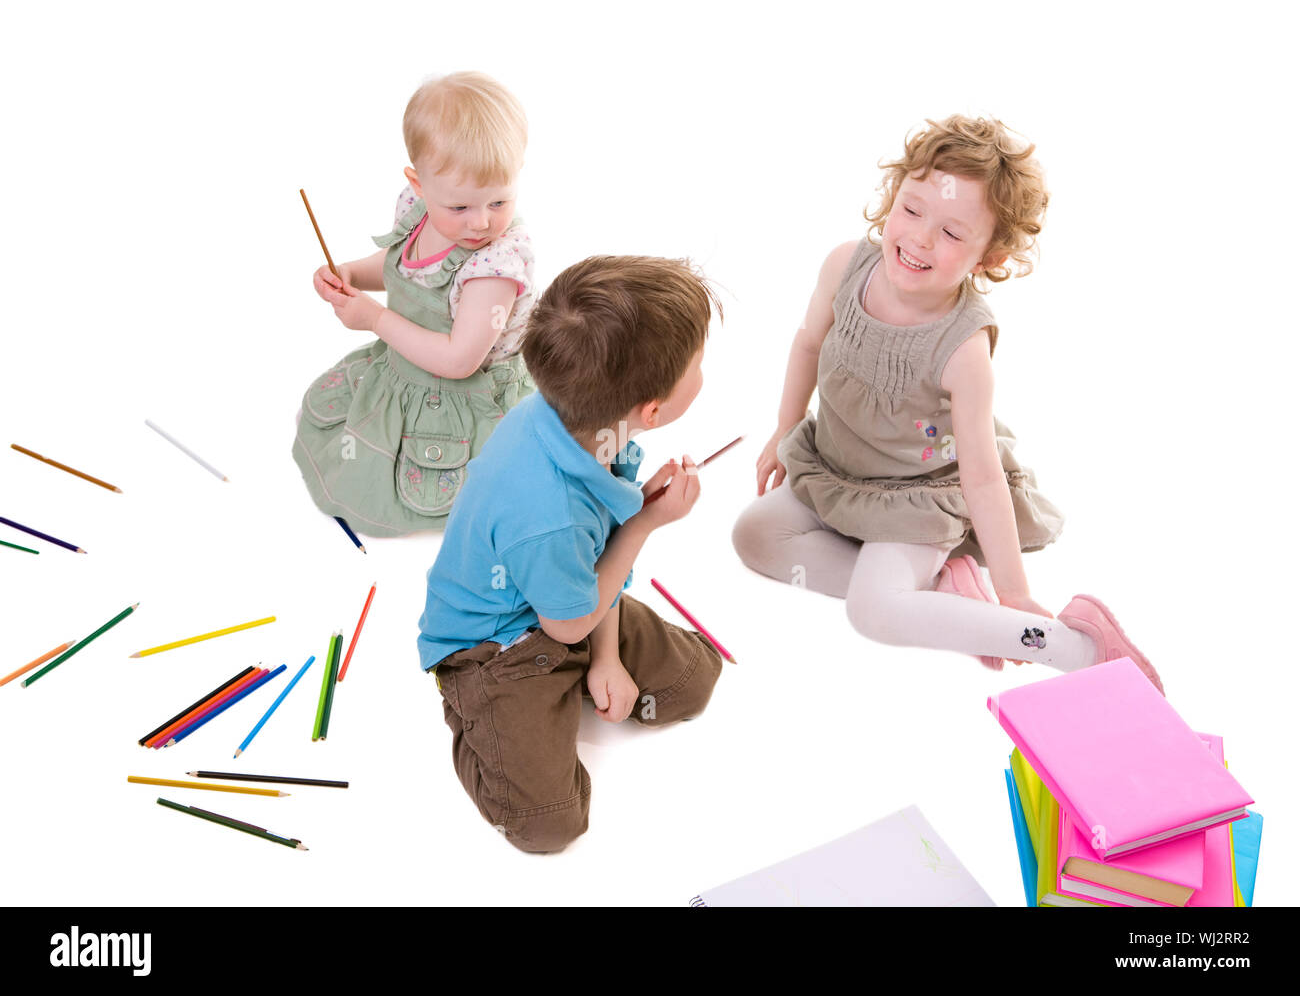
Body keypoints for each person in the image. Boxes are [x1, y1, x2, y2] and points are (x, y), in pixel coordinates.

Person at [732, 115, 1162, 693]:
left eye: (954, 233)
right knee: (753, 535)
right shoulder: (844, 266)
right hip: (834, 469)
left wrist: (1012, 594)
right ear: (893, 196)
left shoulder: (963, 349)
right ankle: (943, 595)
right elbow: (808, 342)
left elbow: (982, 478)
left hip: (916, 497)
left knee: (873, 613)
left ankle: (1070, 647)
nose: (920, 239)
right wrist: (782, 432)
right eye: (911, 210)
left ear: (988, 259)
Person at [417, 255, 727, 852]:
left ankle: (570, 686)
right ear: (652, 410)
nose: (701, 368)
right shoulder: (549, 514)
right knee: (549, 824)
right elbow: (567, 623)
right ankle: (476, 710)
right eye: (697, 362)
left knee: (692, 680)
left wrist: (605, 658)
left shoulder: (584, 424)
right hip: (496, 646)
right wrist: (644, 524)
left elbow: (589, 575)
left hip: (568, 598)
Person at [293, 72, 535, 536]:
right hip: (405, 368)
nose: (481, 222)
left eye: (499, 200)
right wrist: (352, 273)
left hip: (463, 396)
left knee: (460, 486)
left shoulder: (496, 266)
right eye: (460, 207)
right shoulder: (421, 208)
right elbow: (402, 259)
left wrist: (375, 319)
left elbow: (459, 360)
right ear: (418, 184)